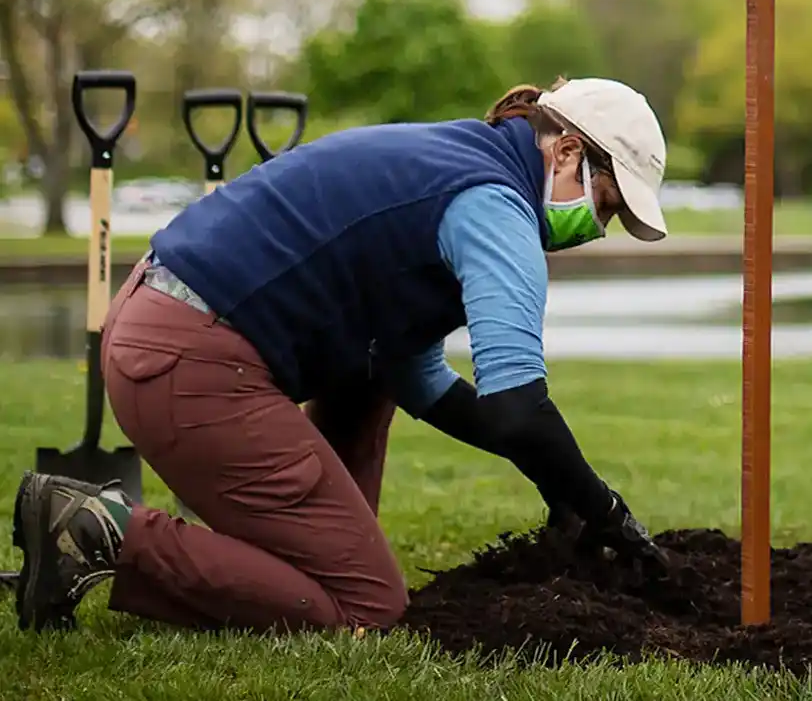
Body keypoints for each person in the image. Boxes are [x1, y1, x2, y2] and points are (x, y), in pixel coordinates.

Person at [12, 77, 672, 633]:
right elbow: (517, 406)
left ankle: (301, 550)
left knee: (373, 380)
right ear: (567, 151)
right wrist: (604, 506)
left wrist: (559, 485)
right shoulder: (495, 206)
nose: (599, 226)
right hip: (189, 361)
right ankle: (99, 530)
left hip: (160, 325)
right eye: (607, 203)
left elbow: (420, 378)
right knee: (367, 605)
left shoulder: (462, 159)